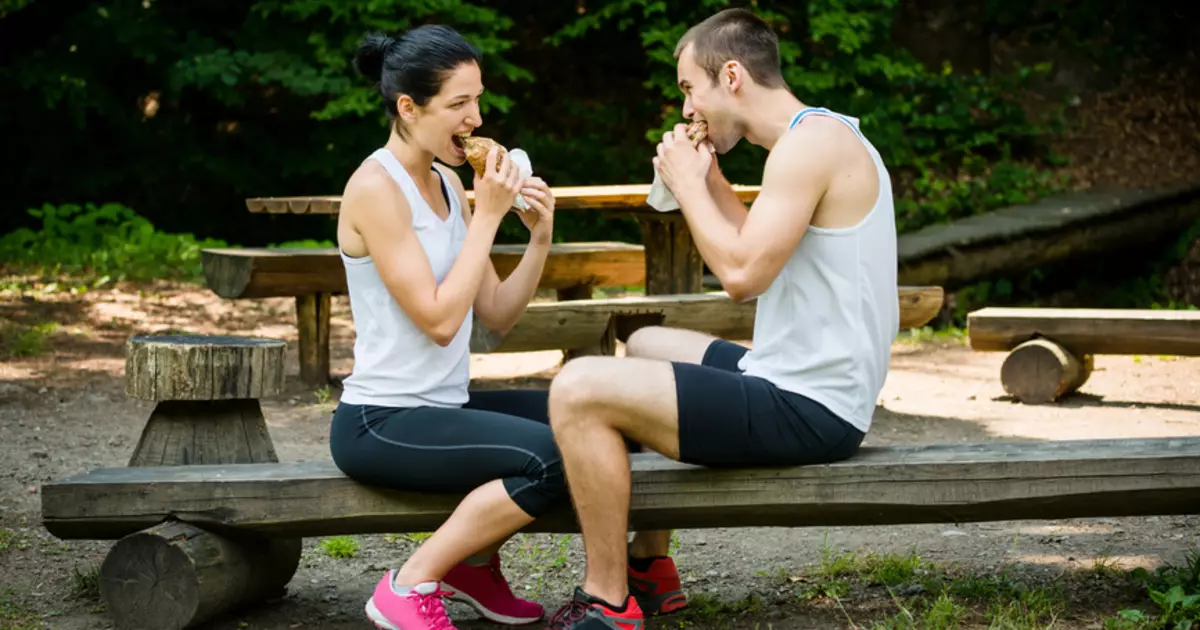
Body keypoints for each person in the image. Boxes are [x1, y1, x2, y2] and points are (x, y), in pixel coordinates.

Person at [543, 8, 900, 629]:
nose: (686, 109)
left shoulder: (807, 147)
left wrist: (685, 187)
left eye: (689, 88)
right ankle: (652, 568)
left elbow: (740, 276)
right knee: (648, 341)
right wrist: (709, 179)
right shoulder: (818, 136)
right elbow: (754, 242)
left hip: (810, 408)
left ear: (731, 75)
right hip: (794, 378)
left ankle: (607, 599)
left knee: (577, 388)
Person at [328, 25, 565, 630]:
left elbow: (497, 314)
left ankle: (474, 565)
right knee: (554, 461)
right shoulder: (376, 188)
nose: (475, 117)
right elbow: (437, 320)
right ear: (408, 107)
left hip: (444, 402)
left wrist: (538, 236)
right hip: (382, 420)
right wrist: (486, 217)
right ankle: (408, 585)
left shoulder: (448, 181)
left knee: (587, 419)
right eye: (458, 104)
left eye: (477, 100)